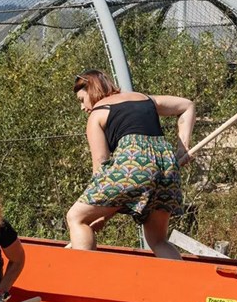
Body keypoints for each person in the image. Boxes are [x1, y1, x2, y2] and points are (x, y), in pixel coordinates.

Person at [66, 69, 195, 259]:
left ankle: (83, 279)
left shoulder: (98, 114)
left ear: (91, 90)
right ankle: (184, 287)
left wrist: (100, 214)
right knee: (158, 241)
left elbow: (100, 169)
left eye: (81, 100)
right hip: (168, 168)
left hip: (133, 164)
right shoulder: (144, 99)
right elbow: (187, 105)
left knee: (76, 217)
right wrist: (182, 149)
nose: (82, 107)